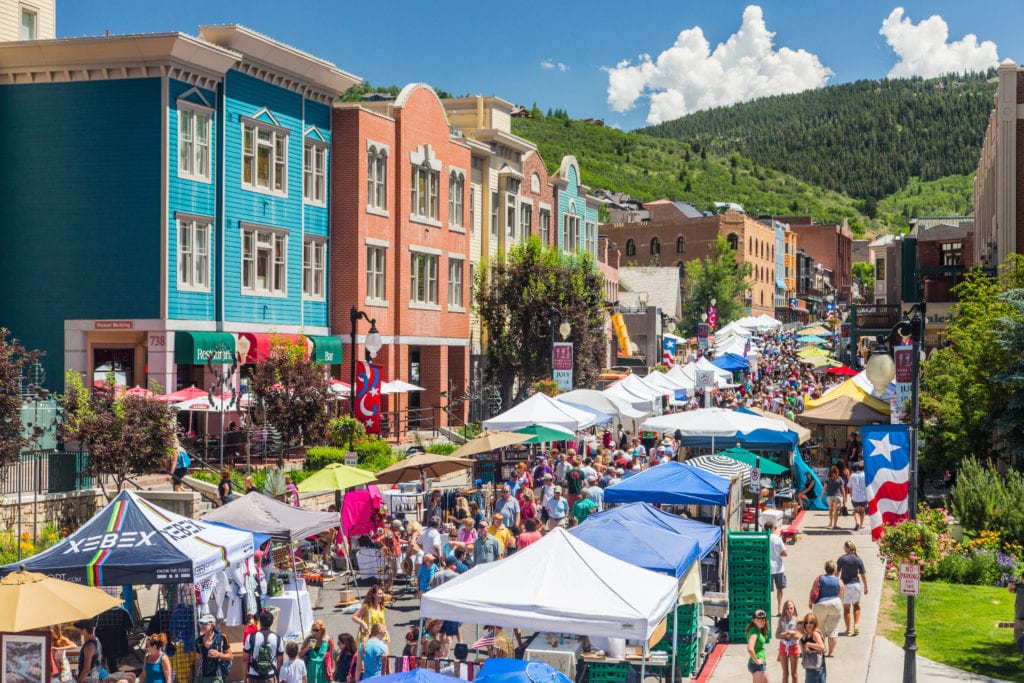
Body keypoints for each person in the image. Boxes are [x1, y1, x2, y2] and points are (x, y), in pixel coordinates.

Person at [809, 560, 844, 657]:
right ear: (835, 569)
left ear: (825, 568)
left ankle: (822, 649)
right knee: (833, 630)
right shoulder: (839, 580)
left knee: (819, 628)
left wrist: (810, 602)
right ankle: (831, 652)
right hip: (835, 604)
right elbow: (842, 593)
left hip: (821, 604)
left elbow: (813, 590)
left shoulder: (820, 578)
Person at [837, 541, 868, 636]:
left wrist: (835, 585)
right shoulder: (858, 559)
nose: (843, 548)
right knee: (857, 606)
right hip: (856, 586)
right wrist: (866, 586)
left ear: (848, 548)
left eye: (844, 547)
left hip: (845, 586)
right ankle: (856, 625)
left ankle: (848, 630)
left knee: (846, 609)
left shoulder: (842, 559)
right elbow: (862, 574)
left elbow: (836, 573)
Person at [245, 610, 284, 682]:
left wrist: (245, 677)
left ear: (260, 622)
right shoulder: (278, 638)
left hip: (253, 676)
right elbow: (280, 661)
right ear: (271, 623)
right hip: (269, 676)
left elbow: (245, 659)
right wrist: (278, 677)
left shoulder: (250, 637)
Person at [195, 614, 232, 683]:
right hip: (203, 677)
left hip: (217, 677)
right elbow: (198, 661)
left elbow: (230, 656)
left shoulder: (222, 638)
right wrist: (197, 677)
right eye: (200, 623)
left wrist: (219, 655)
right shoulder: (198, 641)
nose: (201, 625)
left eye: (204, 623)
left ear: (212, 625)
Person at [775, 601, 800, 683]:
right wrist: (788, 633)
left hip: (793, 646)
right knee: (785, 673)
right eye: (787, 608)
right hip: (783, 646)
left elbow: (798, 636)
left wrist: (787, 634)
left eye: (791, 608)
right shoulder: (782, 620)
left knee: (794, 673)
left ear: (794, 609)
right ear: (785, 610)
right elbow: (777, 635)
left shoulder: (797, 619)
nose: (789, 610)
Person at [799, 613, 827, 683]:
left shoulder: (815, 633)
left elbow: (821, 646)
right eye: (806, 622)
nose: (808, 625)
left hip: (816, 667)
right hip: (811, 666)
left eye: (811, 622)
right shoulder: (806, 635)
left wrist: (808, 644)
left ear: (815, 623)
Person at [766, 521, 788, 609]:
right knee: (780, 588)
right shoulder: (777, 538)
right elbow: (785, 553)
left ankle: (768, 608)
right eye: (775, 528)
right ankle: (779, 607)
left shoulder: (763, 537)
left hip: (767, 568)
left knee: (767, 590)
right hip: (778, 568)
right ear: (772, 528)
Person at [745, 609, 769, 683]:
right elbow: (750, 648)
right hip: (757, 665)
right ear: (754, 621)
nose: (762, 621)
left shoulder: (757, 630)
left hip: (760, 665)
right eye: (759, 619)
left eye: (764, 619)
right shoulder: (754, 632)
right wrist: (757, 661)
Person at [847, 463, 868, 531]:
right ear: (863, 468)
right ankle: (861, 524)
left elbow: (849, 486)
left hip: (855, 497)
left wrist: (851, 494)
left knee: (856, 511)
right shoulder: (865, 475)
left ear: (857, 468)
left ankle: (857, 522)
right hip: (864, 497)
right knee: (862, 511)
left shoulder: (852, 475)